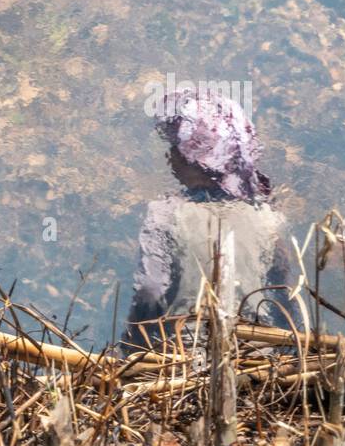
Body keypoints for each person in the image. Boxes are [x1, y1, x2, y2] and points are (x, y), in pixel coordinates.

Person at [123, 88, 294, 352]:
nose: (170, 157)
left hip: (184, 358)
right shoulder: (269, 218)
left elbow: (150, 291)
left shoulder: (164, 214)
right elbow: (284, 299)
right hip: (258, 357)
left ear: (195, 158)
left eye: (175, 149)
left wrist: (131, 345)